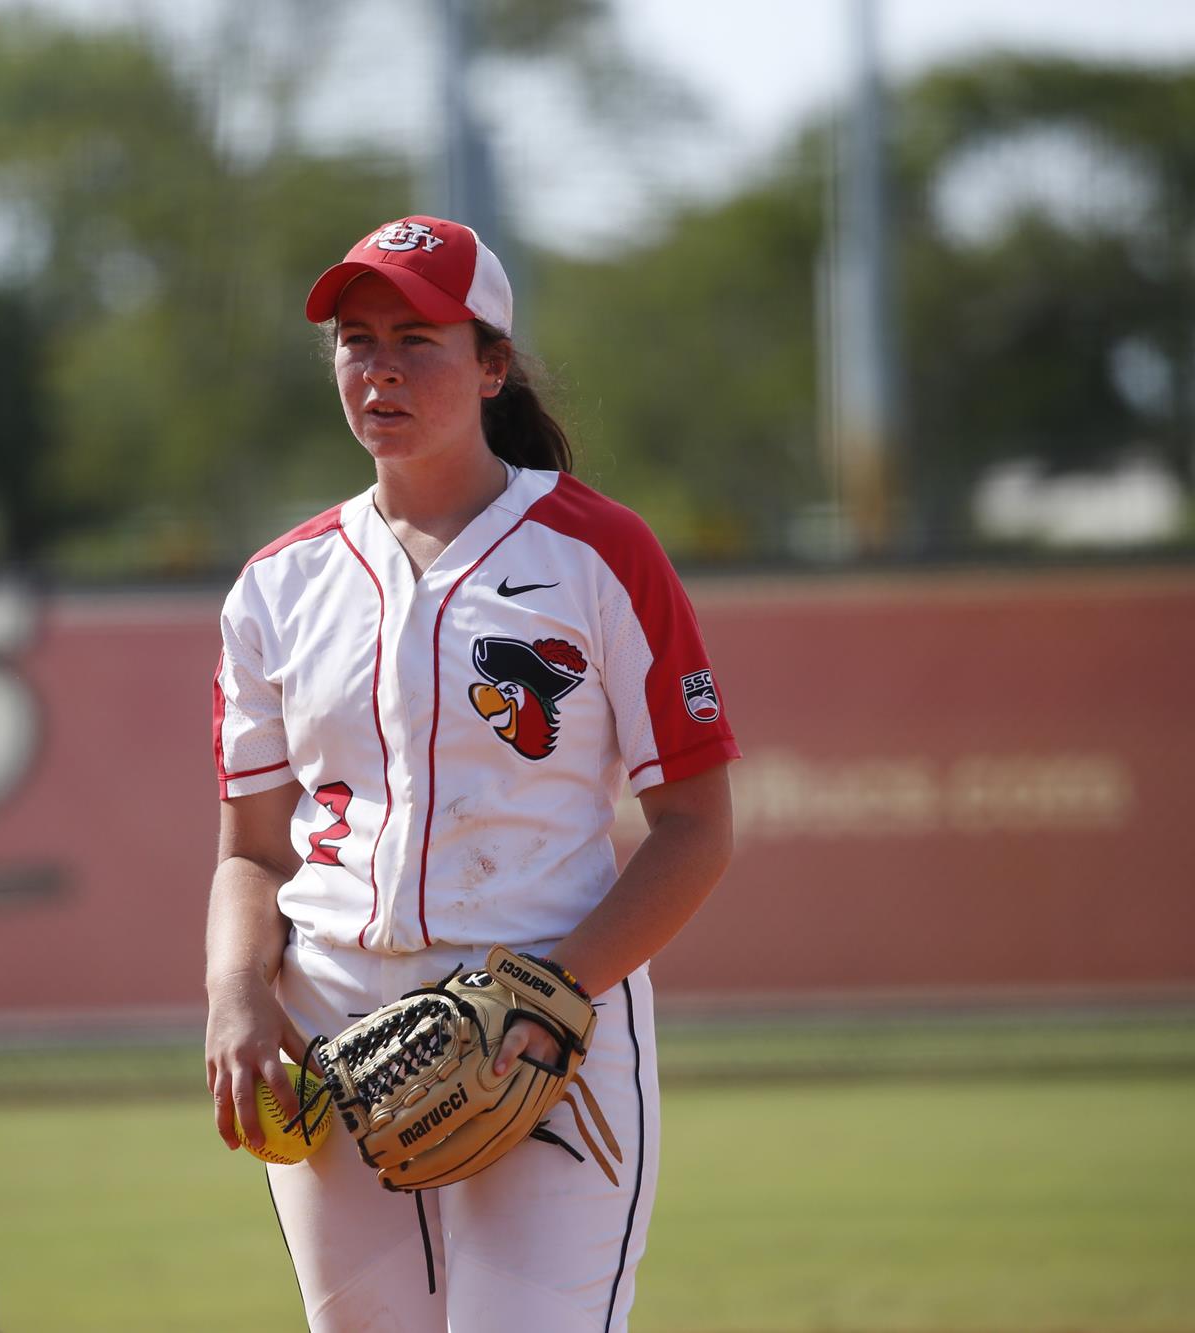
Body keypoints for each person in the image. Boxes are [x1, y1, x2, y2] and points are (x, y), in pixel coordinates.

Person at [205, 215, 740, 1331]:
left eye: (417, 337)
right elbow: (251, 851)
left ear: (491, 364)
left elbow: (693, 825)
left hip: (547, 1002)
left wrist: (554, 1001)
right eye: (356, 339)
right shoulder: (276, 584)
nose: (379, 367)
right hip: (333, 1026)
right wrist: (235, 995)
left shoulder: (598, 553)